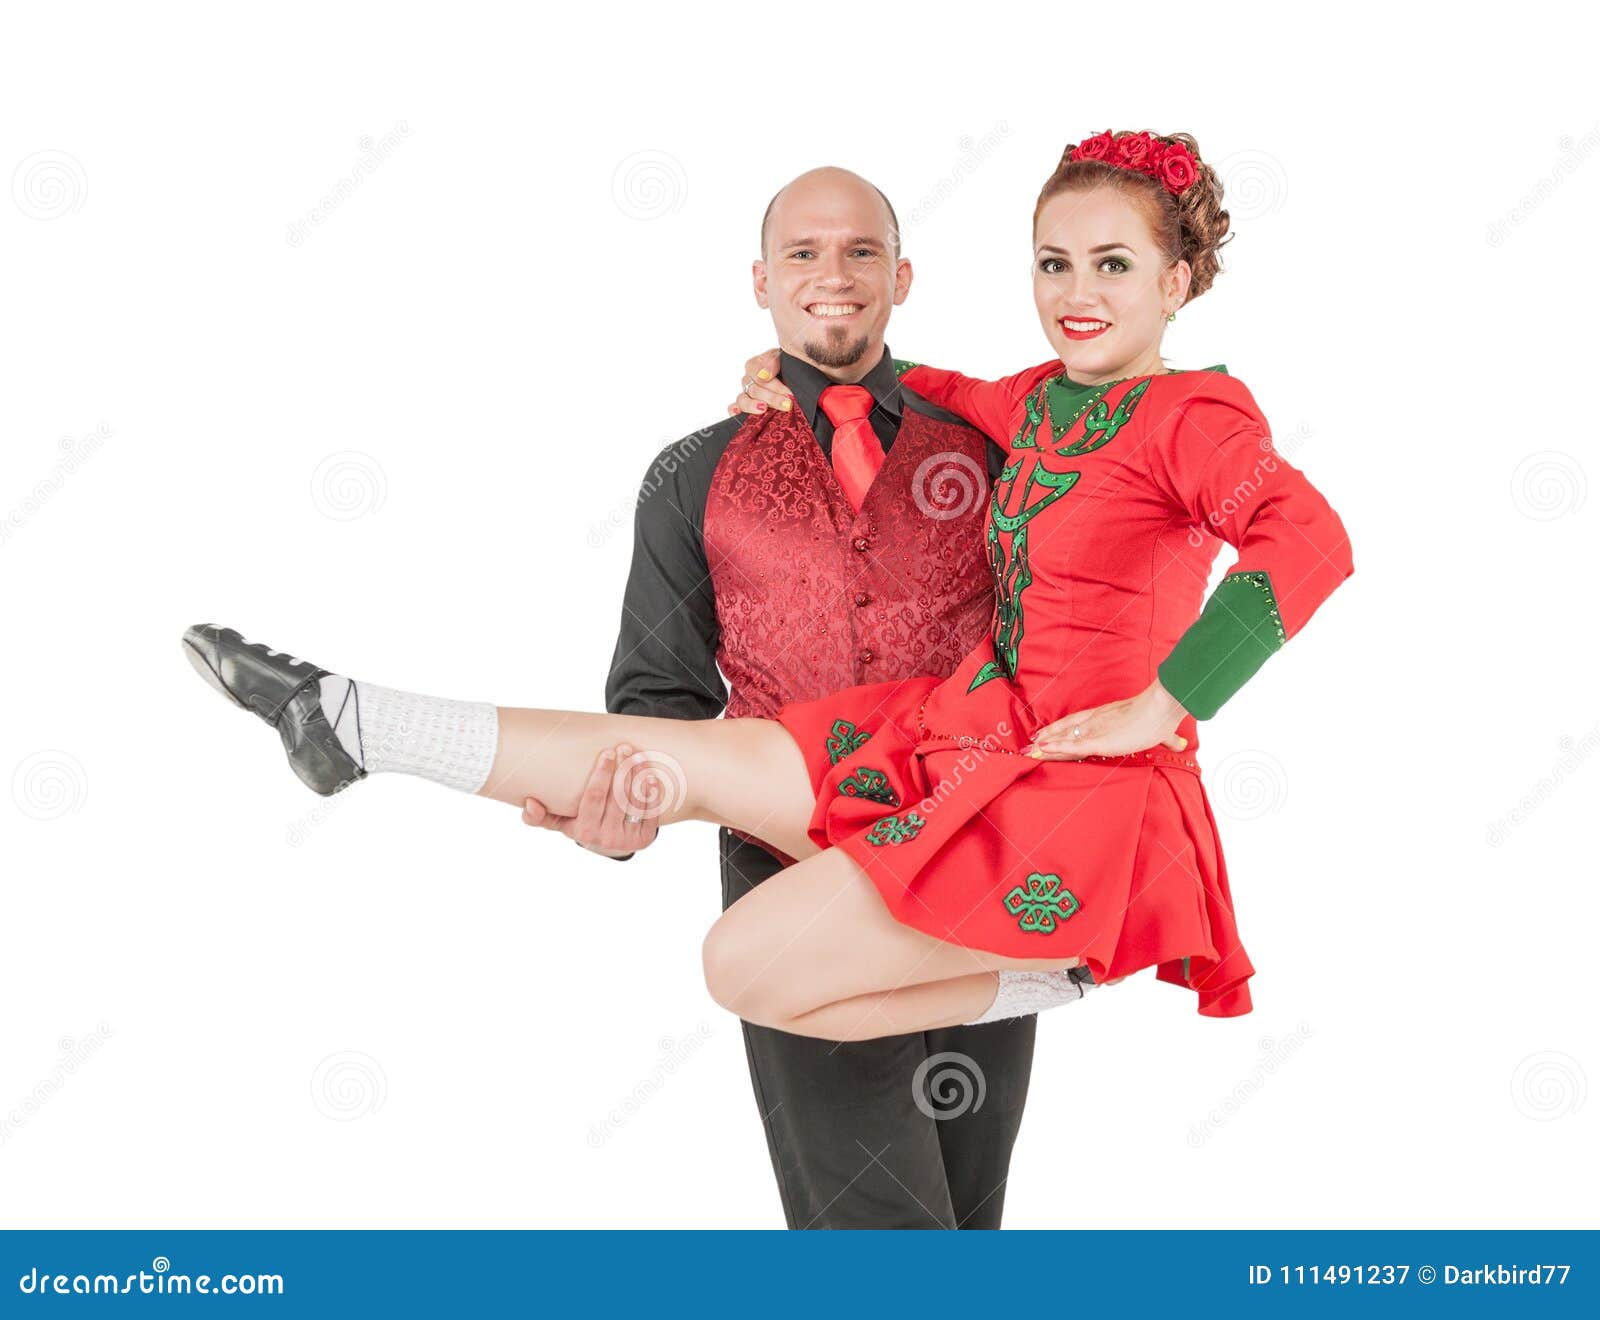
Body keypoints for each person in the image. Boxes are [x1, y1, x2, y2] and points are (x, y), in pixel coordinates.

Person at [183, 124, 1350, 1071]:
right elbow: (922, 383)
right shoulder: (1035, 402)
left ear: (1178, 280)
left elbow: (1309, 539)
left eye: (1113, 265)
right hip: (957, 740)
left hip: (1072, 793)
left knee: (740, 968)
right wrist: (783, 369)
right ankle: (351, 721)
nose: (1076, 293)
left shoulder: (1193, 419)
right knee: (695, 756)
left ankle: (1047, 976)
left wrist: (1165, 701)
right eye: (1054, 264)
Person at [524, 164, 1051, 1229]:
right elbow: (659, 699)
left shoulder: (1001, 450)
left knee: (969, 1217)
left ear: (902, 276)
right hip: (789, 881)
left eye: (860, 251)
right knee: (872, 1232)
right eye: (802, 253)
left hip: (978, 861)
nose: (832, 274)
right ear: (760, 281)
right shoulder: (691, 473)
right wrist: (619, 817)